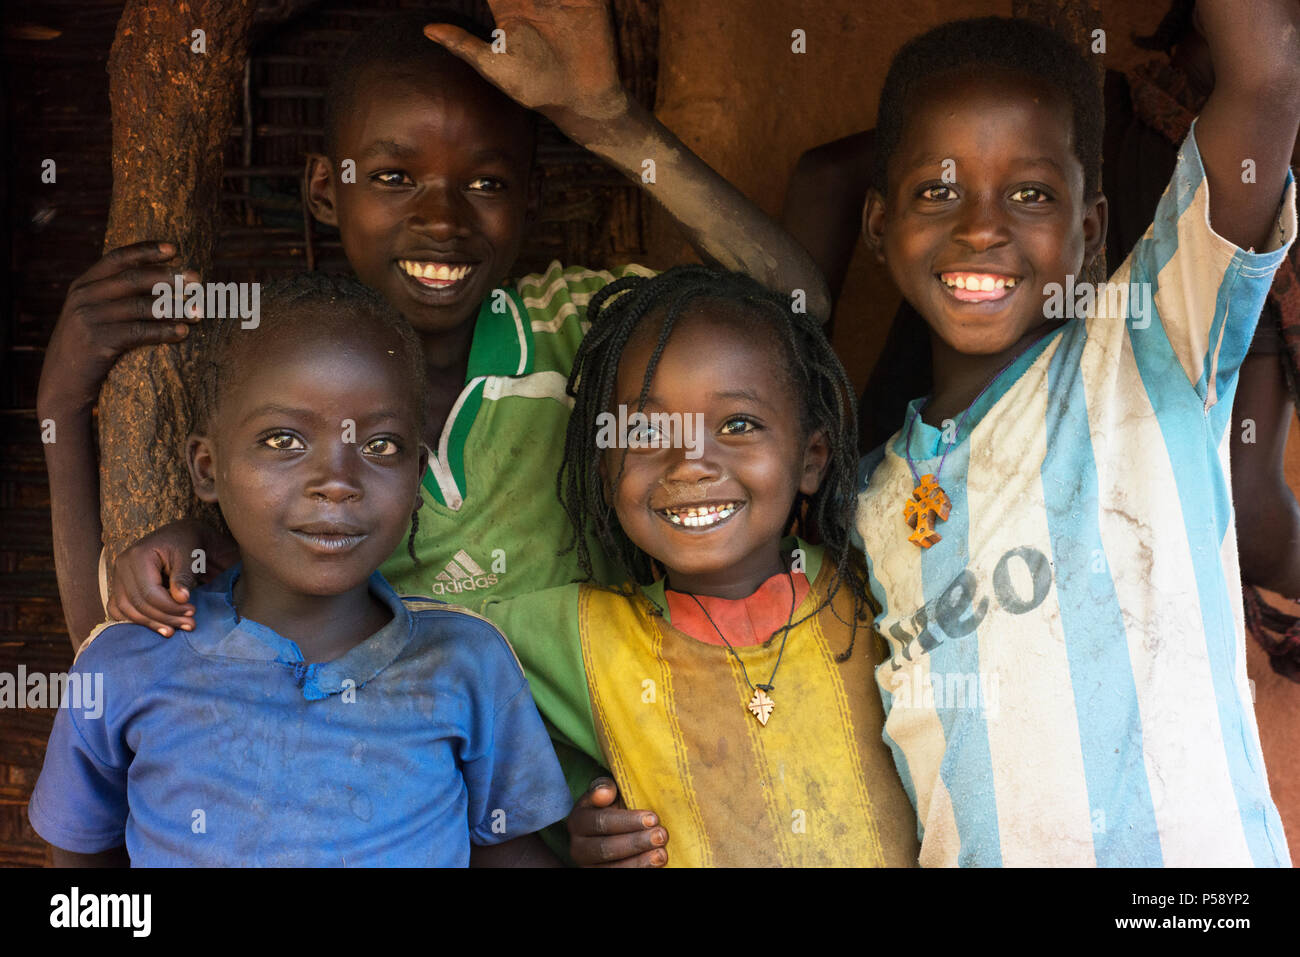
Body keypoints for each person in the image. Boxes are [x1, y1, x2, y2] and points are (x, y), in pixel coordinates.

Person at [36, 3, 826, 863]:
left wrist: (603, 117)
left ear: (532, 198)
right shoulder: (283, 419)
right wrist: (64, 401)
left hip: (638, 819)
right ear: (323, 190)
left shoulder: (578, 330)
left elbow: (791, 307)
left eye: (485, 182)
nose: (442, 218)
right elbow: (114, 655)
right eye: (393, 177)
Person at [855, 6, 1297, 866]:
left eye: (1030, 193)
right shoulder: (865, 506)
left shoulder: (1150, 345)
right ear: (879, 225)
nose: (981, 227)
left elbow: (1269, 76)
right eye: (938, 190)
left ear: (1090, 228)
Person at [28, 276, 573, 866]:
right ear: (207, 469)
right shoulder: (125, 665)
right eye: (284, 440)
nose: (336, 481)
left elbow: (509, 854)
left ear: (417, 476)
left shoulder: (467, 662)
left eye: (381, 446)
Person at [479, 266, 918, 866]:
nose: (690, 464)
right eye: (649, 429)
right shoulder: (564, 639)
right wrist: (574, 829)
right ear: (604, 466)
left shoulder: (884, 584)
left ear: (812, 457)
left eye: (738, 425)